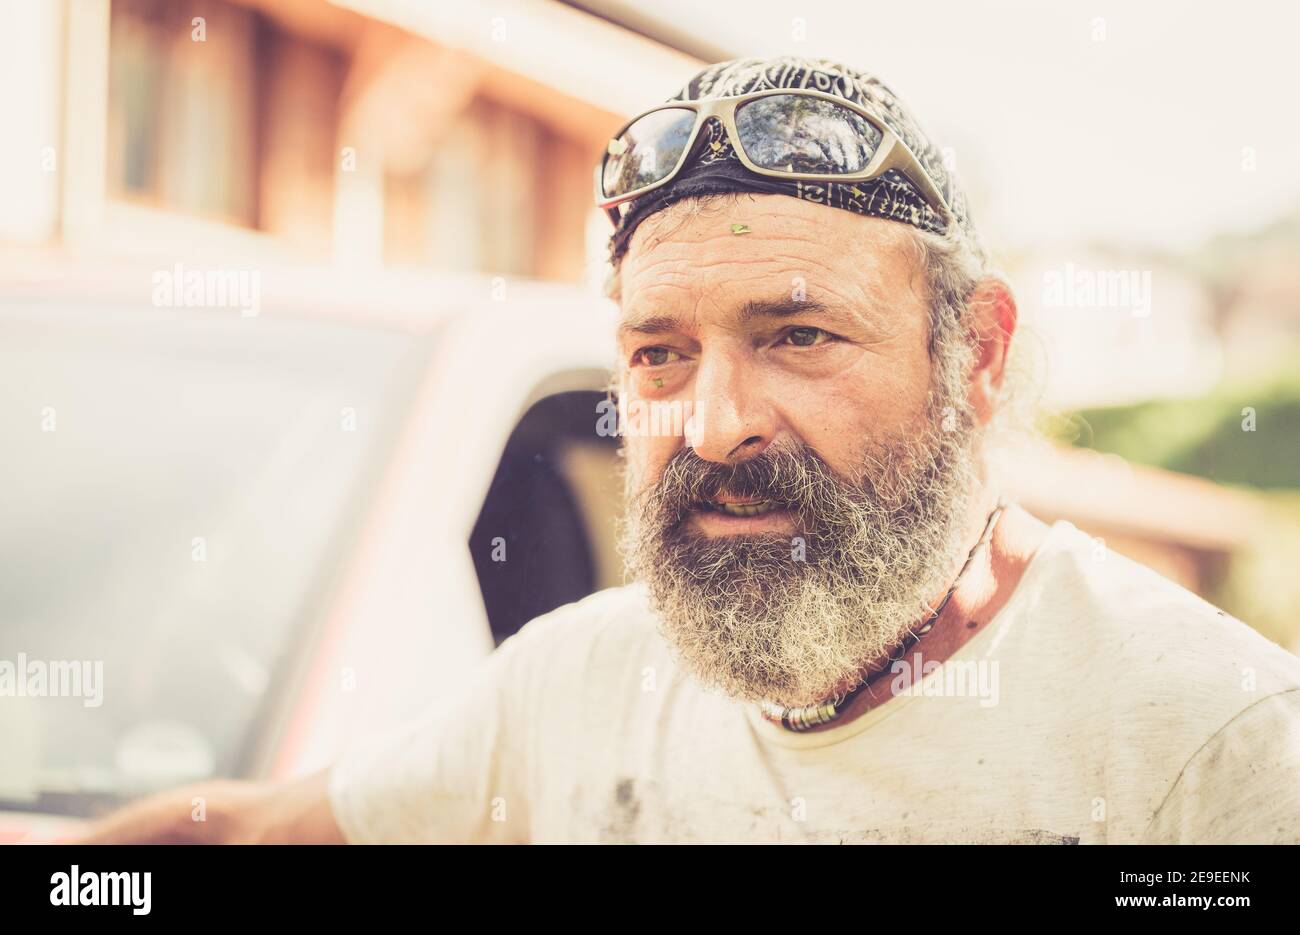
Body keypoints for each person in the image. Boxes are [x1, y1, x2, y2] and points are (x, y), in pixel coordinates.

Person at [79, 55, 1300, 844]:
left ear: (974, 355)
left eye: (801, 334)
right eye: (659, 353)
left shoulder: (1209, 746)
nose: (713, 425)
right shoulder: (580, 690)